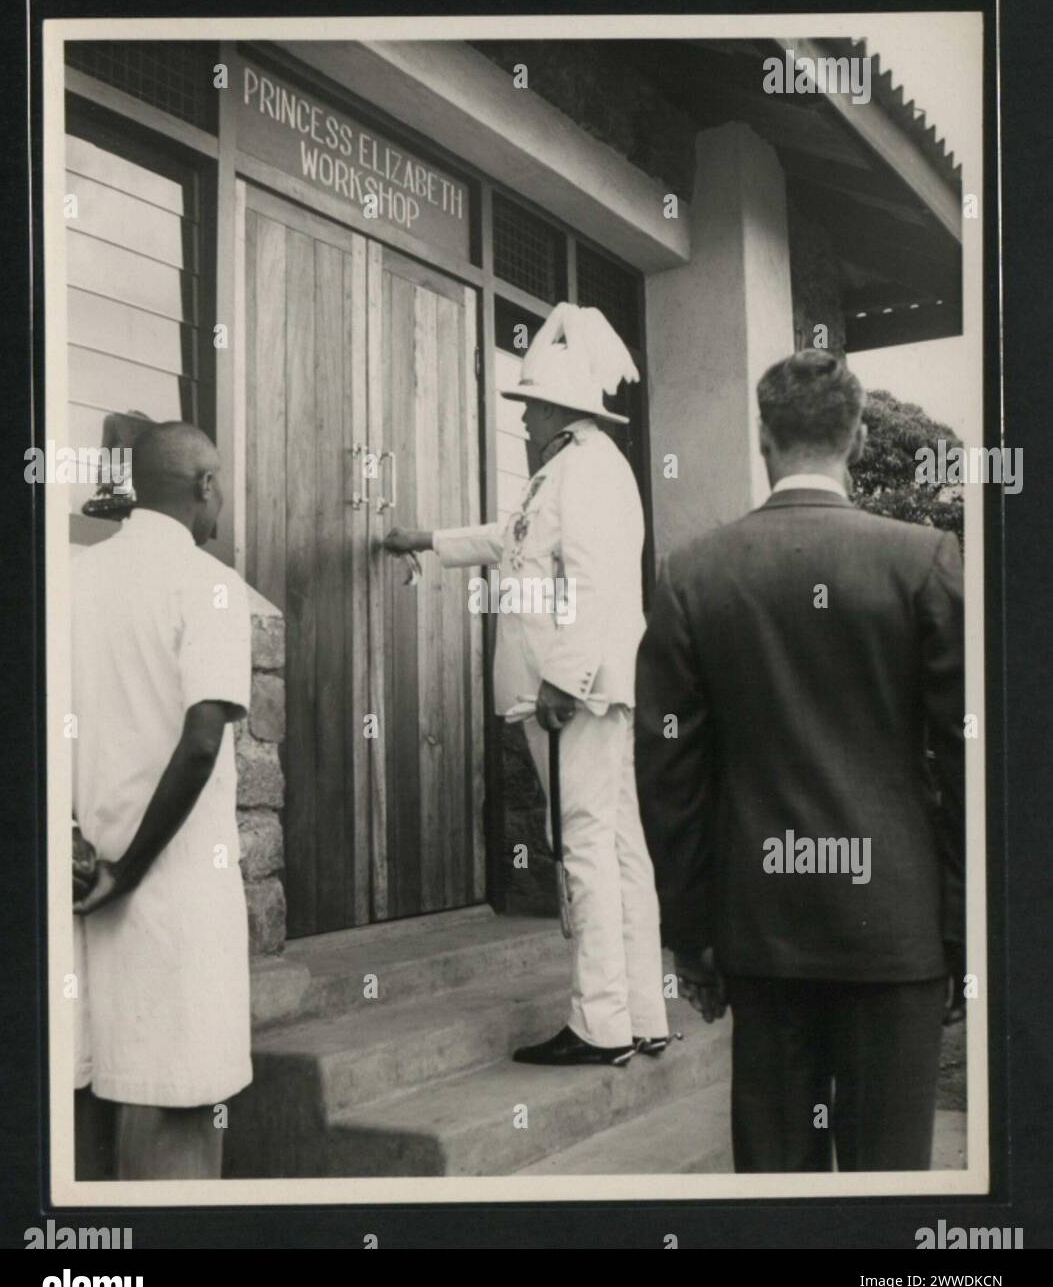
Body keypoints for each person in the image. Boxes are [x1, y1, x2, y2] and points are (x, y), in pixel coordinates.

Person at [635, 349, 965, 1171]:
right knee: (888, 1188)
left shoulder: (692, 575)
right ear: (855, 436)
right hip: (895, 931)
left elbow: (667, 771)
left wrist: (689, 932)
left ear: (762, 436)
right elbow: (970, 761)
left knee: (777, 1189)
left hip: (762, 934)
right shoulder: (922, 560)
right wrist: (959, 927)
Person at [384, 303, 669, 1066]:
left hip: (576, 696)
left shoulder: (590, 471)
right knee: (614, 848)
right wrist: (425, 541)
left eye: (527, 405)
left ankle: (599, 1024)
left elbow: (598, 582)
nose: (519, 419)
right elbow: (510, 543)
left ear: (558, 409)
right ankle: (639, 1014)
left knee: (582, 847)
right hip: (579, 693)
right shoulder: (567, 470)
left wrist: (562, 682)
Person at [72, 421, 253, 1180]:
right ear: (205, 485)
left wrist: (86, 852)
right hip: (172, 878)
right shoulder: (208, 584)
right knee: (181, 1094)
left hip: (89, 881)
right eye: (221, 486)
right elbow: (203, 740)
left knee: (99, 1082)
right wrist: (136, 868)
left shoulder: (76, 577)